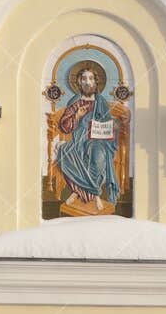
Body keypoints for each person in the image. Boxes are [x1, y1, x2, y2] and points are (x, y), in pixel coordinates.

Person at [53, 61, 128, 213]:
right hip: (79, 138)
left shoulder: (101, 102)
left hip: (97, 140)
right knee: (65, 153)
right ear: (79, 82)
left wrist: (114, 126)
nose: (87, 82)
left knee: (99, 157)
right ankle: (86, 192)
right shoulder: (75, 101)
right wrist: (78, 116)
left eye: (91, 78)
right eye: (84, 79)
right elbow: (65, 125)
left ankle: (88, 193)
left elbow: (108, 122)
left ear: (96, 81)